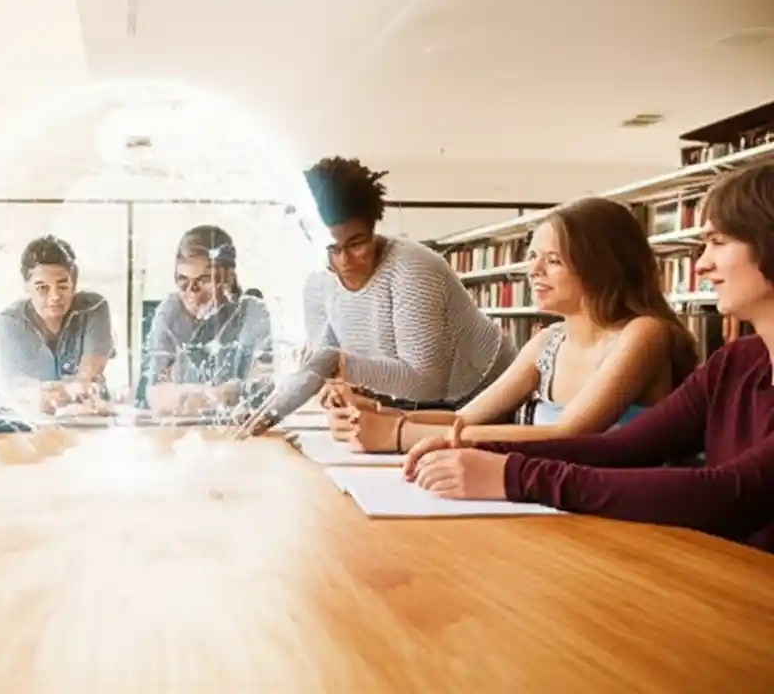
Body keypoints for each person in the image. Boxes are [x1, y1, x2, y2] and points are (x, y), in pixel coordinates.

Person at [403, 162, 774, 552]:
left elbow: (729, 494)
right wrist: (479, 451)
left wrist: (514, 475)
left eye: (718, 242)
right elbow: (623, 447)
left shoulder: (657, 338)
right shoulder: (734, 363)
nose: (700, 264)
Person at [326, 197, 700, 451]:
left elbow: (568, 435)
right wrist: (379, 414)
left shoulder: (644, 333)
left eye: (552, 260)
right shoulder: (548, 341)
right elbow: (463, 417)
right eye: (532, 256)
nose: (532, 271)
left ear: (602, 264)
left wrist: (398, 434)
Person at [302, 157, 516, 408]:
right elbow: (325, 363)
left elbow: (426, 385)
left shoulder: (413, 269)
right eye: (330, 248)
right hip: (408, 399)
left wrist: (339, 367)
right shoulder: (317, 282)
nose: (343, 260)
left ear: (373, 230)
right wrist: (331, 383)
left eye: (356, 243)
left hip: (485, 387)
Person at [145, 225, 273, 415]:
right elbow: (155, 394)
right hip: (181, 434)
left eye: (203, 280)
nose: (191, 292)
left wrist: (187, 396)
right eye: (183, 280)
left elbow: (267, 388)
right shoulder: (170, 311)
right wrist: (217, 395)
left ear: (228, 278)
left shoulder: (254, 314)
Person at [0, 235, 114, 415]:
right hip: (33, 419)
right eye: (42, 288)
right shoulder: (10, 321)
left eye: (63, 286)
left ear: (74, 283)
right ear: (27, 286)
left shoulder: (94, 308)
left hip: (88, 415)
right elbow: (18, 386)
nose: (55, 296)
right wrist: (58, 392)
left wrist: (67, 390)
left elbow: (89, 376)